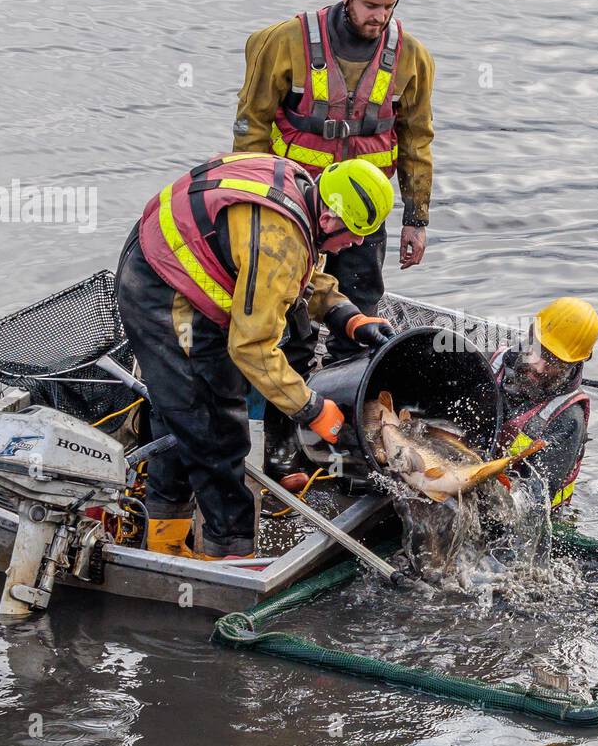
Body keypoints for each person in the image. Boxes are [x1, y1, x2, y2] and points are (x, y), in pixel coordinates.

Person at [116, 153, 397, 559]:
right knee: (213, 429)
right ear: (332, 218)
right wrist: (311, 407)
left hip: (168, 254)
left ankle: (165, 535)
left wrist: (348, 318)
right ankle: (228, 555)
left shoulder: (305, 195)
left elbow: (303, 271)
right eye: (352, 235)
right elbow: (251, 347)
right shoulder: (278, 242)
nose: (354, 245)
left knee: (182, 418)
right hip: (162, 293)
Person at [231, 0, 435, 373]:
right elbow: (251, 126)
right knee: (286, 313)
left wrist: (416, 219)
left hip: (364, 212)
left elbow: (417, 141)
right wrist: (255, 203)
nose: (380, 16)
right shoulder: (285, 43)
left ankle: (345, 401)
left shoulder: (412, 59)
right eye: (370, 5)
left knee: (360, 310)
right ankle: (285, 404)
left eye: (389, 5)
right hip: (298, 208)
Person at [490, 298, 598, 510]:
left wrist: (482, 489)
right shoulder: (491, 364)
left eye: (554, 362)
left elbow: (532, 501)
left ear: (573, 364)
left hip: (516, 507)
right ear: (531, 335)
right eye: (539, 350)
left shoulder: (568, 418)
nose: (539, 367)